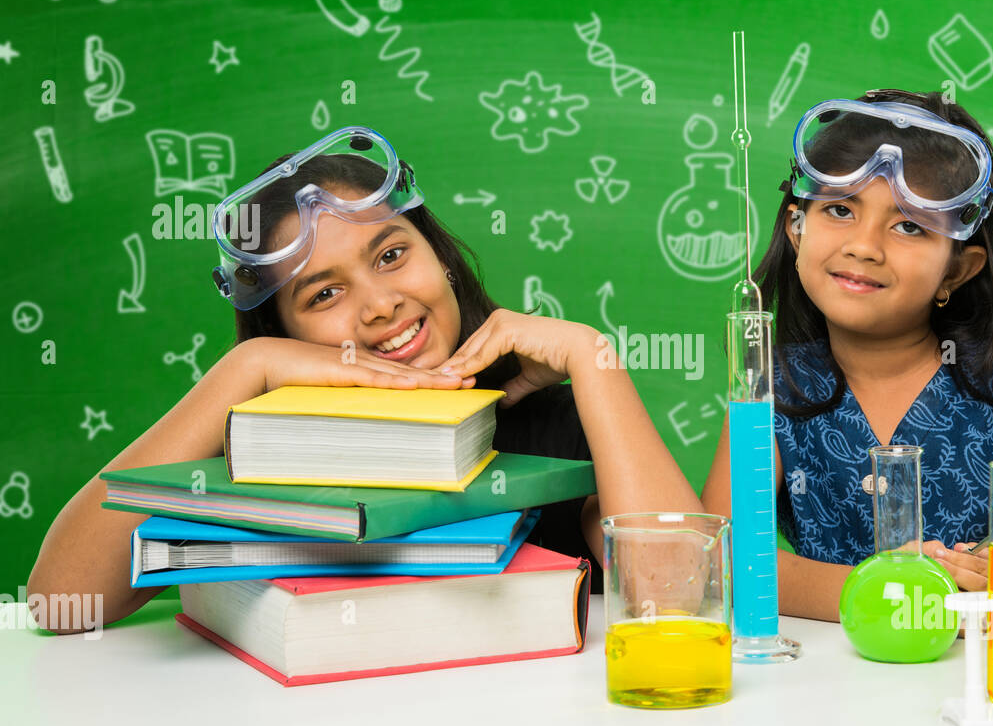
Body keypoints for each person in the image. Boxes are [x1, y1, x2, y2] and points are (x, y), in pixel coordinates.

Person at [29, 127, 700, 632]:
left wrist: (591, 357)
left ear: (440, 256)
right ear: (286, 339)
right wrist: (242, 370)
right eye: (323, 295)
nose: (379, 305)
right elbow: (57, 601)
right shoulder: (256, 466)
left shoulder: (554, 426)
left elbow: (682, 598)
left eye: (391, 253)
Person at [702, 90, 993, 622]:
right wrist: (896, 591)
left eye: (909, 226)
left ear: (957, 270)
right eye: (838, 210)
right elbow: (723, 562)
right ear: (795, 227)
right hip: (832, 685)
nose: (864, 246)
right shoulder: (771, 386)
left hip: (989, 679)